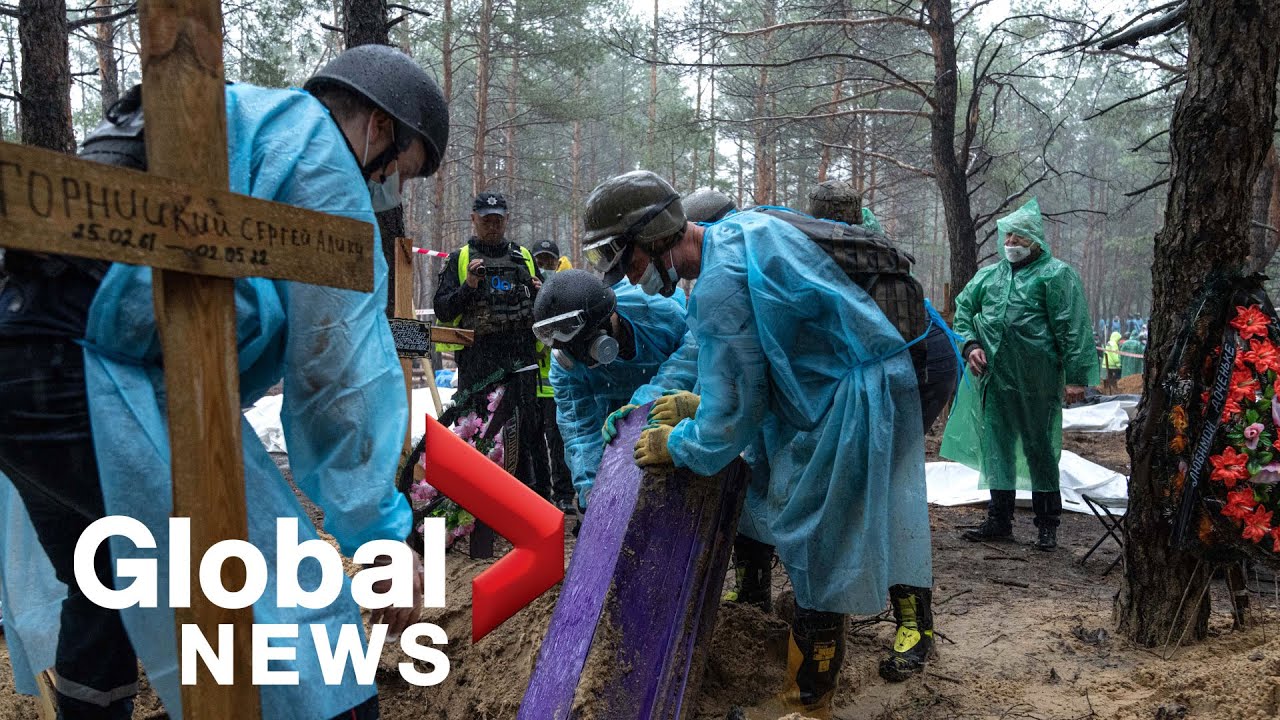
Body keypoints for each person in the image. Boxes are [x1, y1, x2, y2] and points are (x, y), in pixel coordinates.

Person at [0, 44, 448, 719]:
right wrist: (381, 541)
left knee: (104, 583)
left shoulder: (245, 119)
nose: (391, 190)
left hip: (18, 353)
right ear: (378, 130)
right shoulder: (324, 166)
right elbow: (339, 381)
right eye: (401, 173)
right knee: (278, 588)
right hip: (85, 366)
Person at [583, 170, 932, 716]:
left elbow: (735, 416)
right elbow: (732, 358)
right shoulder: (738, 235)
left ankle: (807, 702)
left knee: (818, 541)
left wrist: (681, 444)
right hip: (836, 387)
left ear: (652, 239)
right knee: (808, 527)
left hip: (848, 395)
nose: (630, 278)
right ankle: (808, 684)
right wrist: (664, 401)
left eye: (628, 261)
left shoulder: (721, 279)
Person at [806, 179, 957, 681]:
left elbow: (901, 361)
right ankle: (840, 605)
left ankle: (916, 624)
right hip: (862, 384)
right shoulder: (810, 253)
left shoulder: (880, 265)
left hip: (913, 375)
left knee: (891, 496)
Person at [941, 197, 1098, 552]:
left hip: (1037, 382)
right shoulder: (989, 277)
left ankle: (1047, 525)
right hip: (995, 380)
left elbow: (1073, 328)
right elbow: (964, 311)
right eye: (1007, 236)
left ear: (1035, 240)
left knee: (1039, 447)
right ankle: (999, 520)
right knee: (997, 448)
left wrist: (1076, 376)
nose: (1011, 243)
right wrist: (970, 346)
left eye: (1019, 237)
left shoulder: (1056, 275)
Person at [532, 270, 697, 508]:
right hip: (608, 405)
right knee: (613, 456)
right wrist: (590, 486)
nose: (575, 357)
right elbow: (578, 427)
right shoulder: (565, 366)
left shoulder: (658, 313)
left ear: (604, 327)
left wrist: (645, 405)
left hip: (670, 397)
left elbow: (689, 361)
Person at [433, 192, 547, 497]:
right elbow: (443, 310)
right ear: (474, 219)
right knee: (478, 432)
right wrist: (468, 287)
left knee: (528, 435)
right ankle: (477, 501)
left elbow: (547, 307)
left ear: (507, 219)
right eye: (486, 220)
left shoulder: (524, 256)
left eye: (498, 219)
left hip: (521, 361)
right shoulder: (460, 259)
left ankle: (531, 501)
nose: (493, 226)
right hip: (478, 365)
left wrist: (542, 291)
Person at [530, 239, 575, 511]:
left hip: (560, 382)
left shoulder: (569, 288)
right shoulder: (529, 286)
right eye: (540, 261)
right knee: (535, 441)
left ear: (557, 262)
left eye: (549, 260)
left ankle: (565, 494)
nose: (544, 266)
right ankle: (540, 492)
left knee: (560, 441)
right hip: (534, 382)